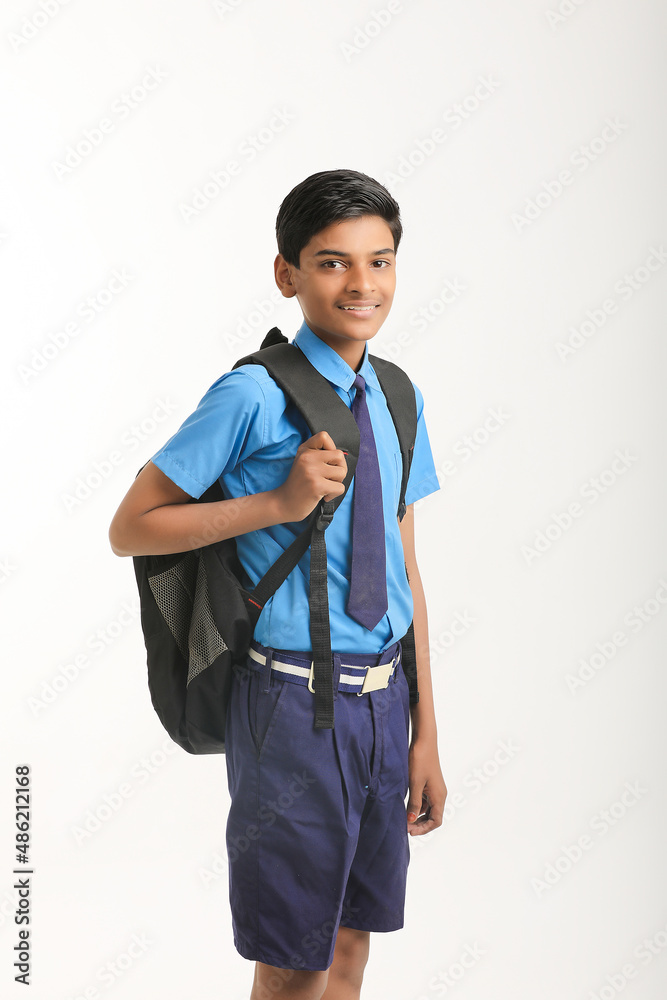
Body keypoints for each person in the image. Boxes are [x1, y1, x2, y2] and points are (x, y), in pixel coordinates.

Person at [109, 168, 447, 1000]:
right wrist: (277, 502)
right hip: (290, 708)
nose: (361, 284)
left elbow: (406, 573)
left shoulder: (397, 397)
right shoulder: (252, 394)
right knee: (293, 963)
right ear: (286, 274)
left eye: (381, 261)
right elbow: (131, 527)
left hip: (380, 706)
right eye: (332, 262)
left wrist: (425, 731)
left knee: (349, 949)